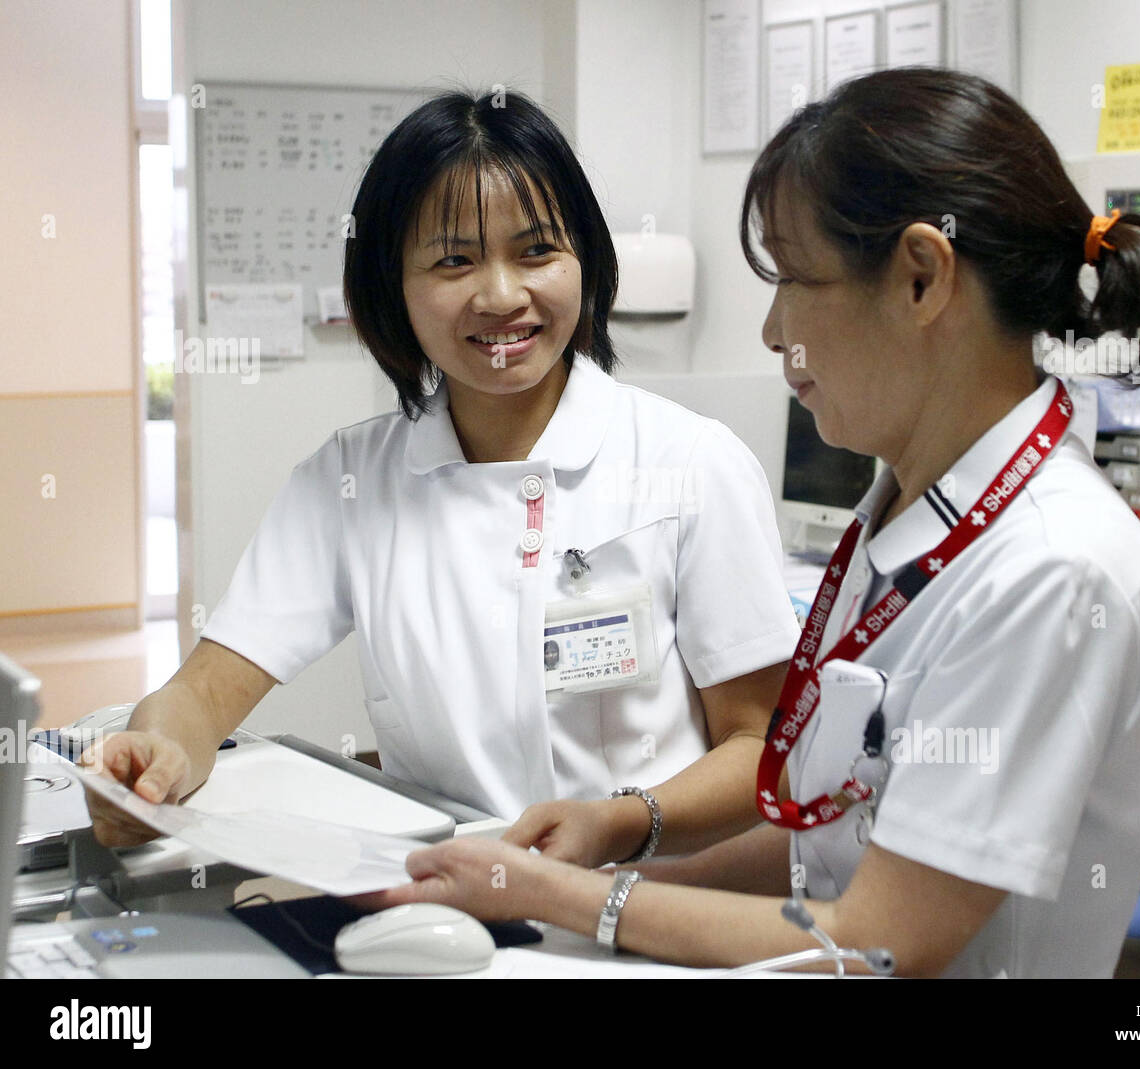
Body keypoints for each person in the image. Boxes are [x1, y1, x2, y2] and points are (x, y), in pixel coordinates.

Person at [354, 67, 1140, 978]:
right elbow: (819, 834)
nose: (769, 330)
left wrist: (553, 898)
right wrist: (612, 840)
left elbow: (887, 937)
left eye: (794, 278)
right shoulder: (908, 513)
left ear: (921, 277)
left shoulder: (1050, 565)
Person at [84, 88, 799, 869]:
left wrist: (629, 821)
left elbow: (763, 743)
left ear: (584, 259)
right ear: (394, 284)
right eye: (454, 260)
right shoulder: (349, 481)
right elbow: (203, 693)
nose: (501, 295)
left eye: (536, 252)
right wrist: (153, 756)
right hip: (444, 912)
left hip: (645, 911)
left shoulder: (691, 463)